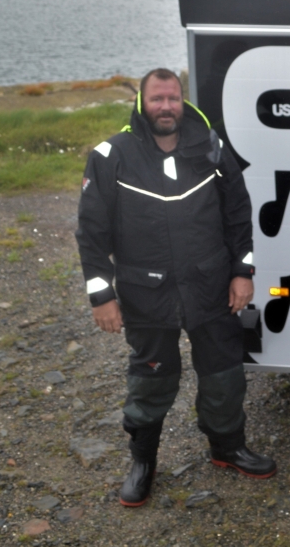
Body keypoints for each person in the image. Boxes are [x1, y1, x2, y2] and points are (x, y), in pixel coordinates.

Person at [76, 68, 276, 508]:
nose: (165, 107)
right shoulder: (111, 155)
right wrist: (102, 296)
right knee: (150, 381)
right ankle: (143, 463)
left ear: (182, 101)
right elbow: (91, 234)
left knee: (224, 374)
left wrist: (243, 272)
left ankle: (228, 448)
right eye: (156, 99)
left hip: (210, 288)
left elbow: (238, 213)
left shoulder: (211, 147)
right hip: (145, 295)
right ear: (141, 102)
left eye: (172, 98)